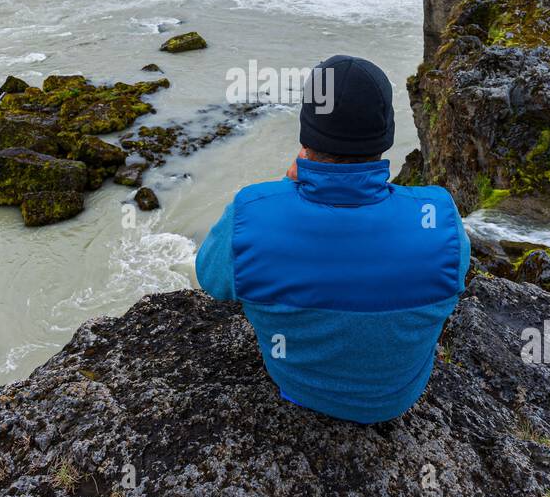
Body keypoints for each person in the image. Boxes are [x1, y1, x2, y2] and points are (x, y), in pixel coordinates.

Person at [194, 55, 470, 424]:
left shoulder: (252, 212)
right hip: (396, 398)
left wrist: (284, 186)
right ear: (385, 133)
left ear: (306, 133)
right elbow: (453, 280)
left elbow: (210, 277)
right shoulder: (440, 218)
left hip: (299, 388)